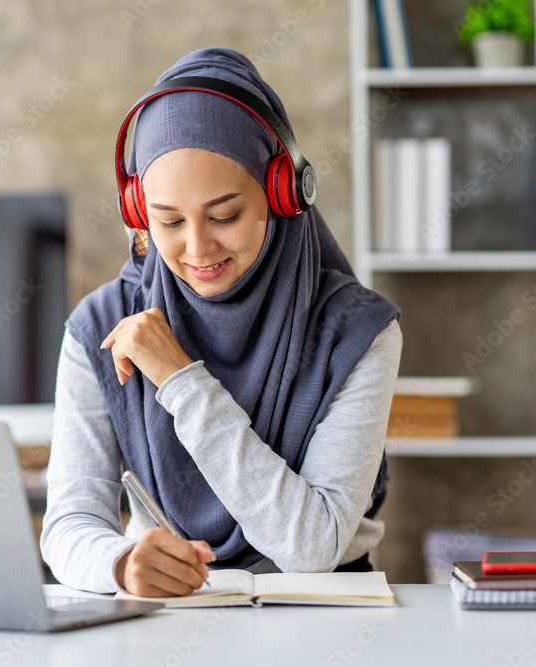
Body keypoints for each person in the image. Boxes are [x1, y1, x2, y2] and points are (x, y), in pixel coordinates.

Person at [39, 47, 404, 598]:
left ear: (283, 194)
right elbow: (69, 522)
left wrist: (180, 380)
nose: (197, 247)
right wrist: (121, 563)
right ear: (139, 212)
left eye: (224, 215)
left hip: (322, 612)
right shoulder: (103, 326)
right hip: (167, 613)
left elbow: (311, 547)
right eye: (169, 221)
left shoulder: (358, 333)